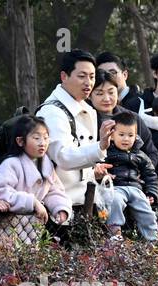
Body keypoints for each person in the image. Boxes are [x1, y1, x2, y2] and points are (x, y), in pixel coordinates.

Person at [37, 50, 114, 205]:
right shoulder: (52, 111)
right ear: (64, 76)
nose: (88, 82)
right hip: (57, 204)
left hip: (84, 200)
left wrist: (94, 170)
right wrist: (99, 148)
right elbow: (63, 157)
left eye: (92, 77)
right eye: (82, 76)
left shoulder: (88, 108)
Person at [0, 114, 71, 245]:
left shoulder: (46, 163)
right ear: (20, 141)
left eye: (46, 137)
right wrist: (32, 202)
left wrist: (60, 208)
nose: (42, 143)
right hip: (3, 234)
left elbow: (54, 190)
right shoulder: (11, 163)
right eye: (36, 138)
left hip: (29, 233)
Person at [95, 111, 158, 239]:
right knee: (115, 201)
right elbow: (99, 166)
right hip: (116, 187)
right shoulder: (106, 152)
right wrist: (104, 174)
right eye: (121, 134)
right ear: (112, 135)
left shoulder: (140, 155)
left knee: (146, 209)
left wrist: (151, 192)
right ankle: (115, 232)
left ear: (136, 136)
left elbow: (150, 174)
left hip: (136, 188)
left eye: (130, 135)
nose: (126, 139)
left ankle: (153, 238)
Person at [91, 69, 158, 169]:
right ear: (89, 95)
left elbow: (151, 152)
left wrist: (143, 173)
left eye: (111, 92)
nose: (106, 98)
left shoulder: (132, 117)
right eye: (99, 93)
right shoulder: (84, 117)